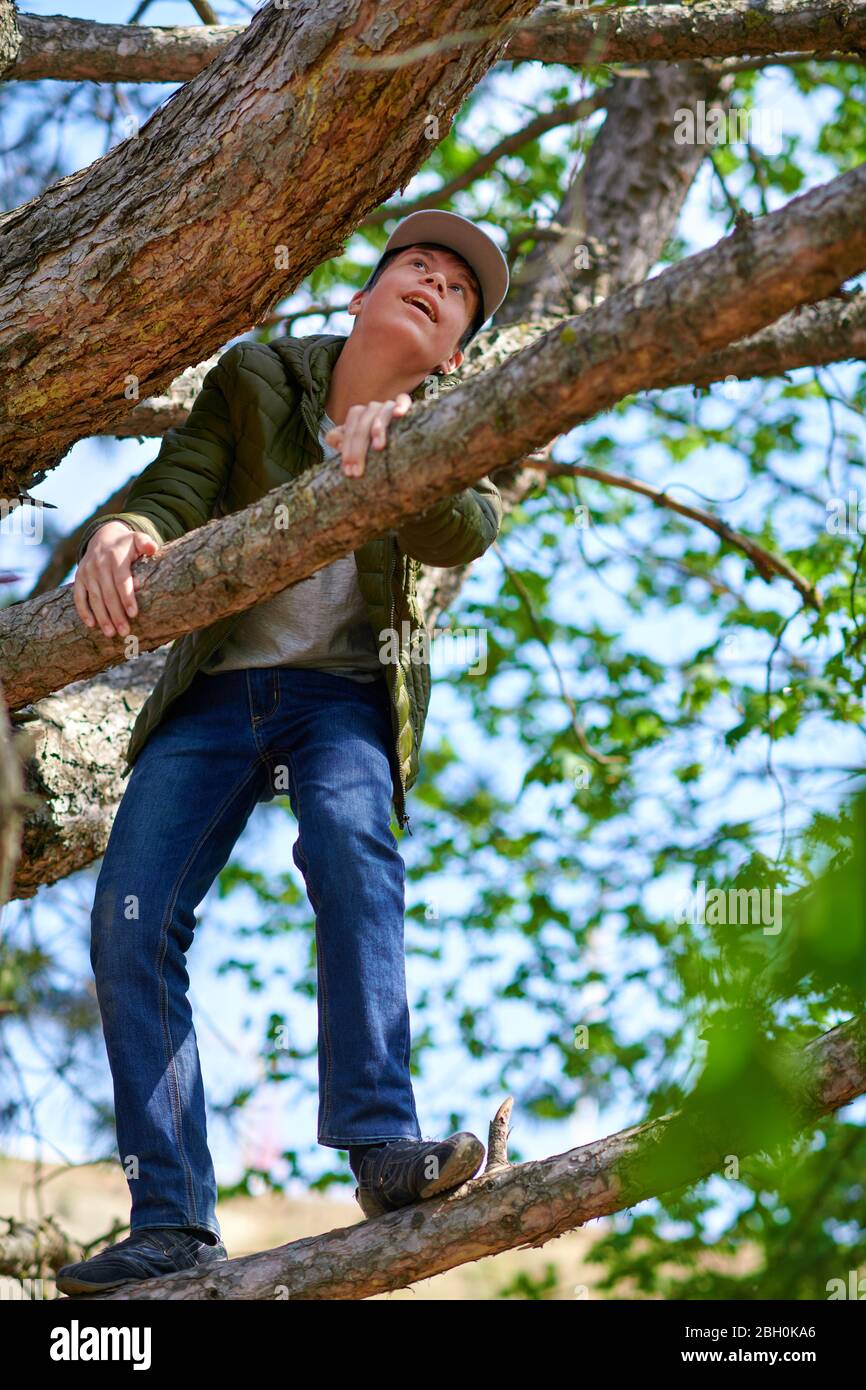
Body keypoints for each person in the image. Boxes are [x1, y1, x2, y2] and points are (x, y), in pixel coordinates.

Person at [56, 211, 510, 1295]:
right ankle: (169, 1219)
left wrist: (406, 458)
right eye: (417, 264)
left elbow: (469, 526)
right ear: (360, 298)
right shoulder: (257, 375)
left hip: (339, 703)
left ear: (453, 351)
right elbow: (177, 484)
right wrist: (125, 530)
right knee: (129, 919)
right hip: (215, 696)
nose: (436, 281)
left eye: (458, 290)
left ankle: (381, 1149)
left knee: (355, 847)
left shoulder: (458, 420)